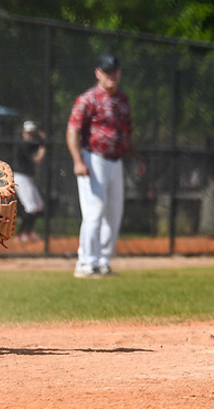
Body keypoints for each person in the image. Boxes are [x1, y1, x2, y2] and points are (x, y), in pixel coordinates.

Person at [66, 52, 143, 278]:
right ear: (98, 73)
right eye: (107, 71)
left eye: (114, 71)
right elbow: (73, 130)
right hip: (94, 159)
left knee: (114, 213)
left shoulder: (122, 100)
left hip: (116, 161)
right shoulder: (87, 99)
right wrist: (78, 161)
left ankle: (102, 262)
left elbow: (127, 134)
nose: (111, 75)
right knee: (95, 211)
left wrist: (136, 158)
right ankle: (85, 262)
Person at [14, 120, 46, 242]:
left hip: (27, 177)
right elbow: (38, 159)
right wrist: (43, 145)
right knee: (31, 207)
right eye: (28, 133)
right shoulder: (24, 144)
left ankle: (28, 232)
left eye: (32, 133)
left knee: (39, 206)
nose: (30, 135)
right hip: (21, 177)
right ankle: (21, 234)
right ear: (23, 133)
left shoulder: (31, 144)